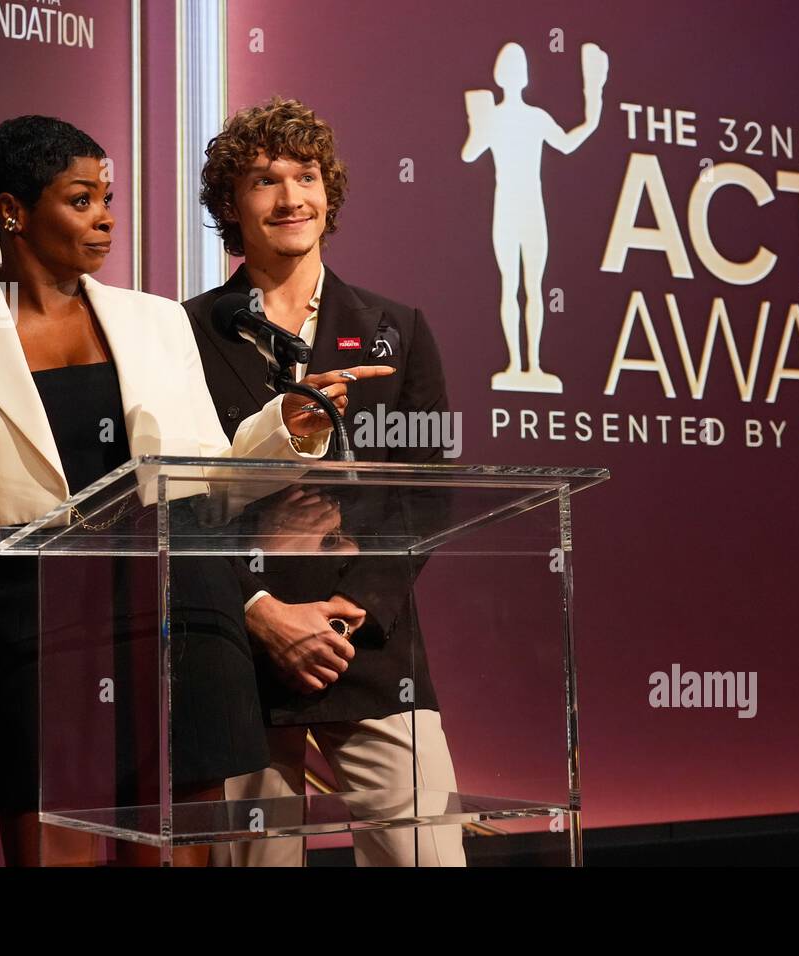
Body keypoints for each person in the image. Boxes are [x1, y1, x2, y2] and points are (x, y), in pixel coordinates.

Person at [0, 114, 389, 866]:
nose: (106, 216)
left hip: (179, 608)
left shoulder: (155, 322)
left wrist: (293, 418)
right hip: (41, 620)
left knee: (177, 852)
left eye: (107, 196)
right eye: (81, 199)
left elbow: (213, 474)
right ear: (13, 212)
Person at [184, 97, 465, 866]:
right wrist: (262, 611)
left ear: (329, 192)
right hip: (244, 652)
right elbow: (177, 502)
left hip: (370, 652)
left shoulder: (395, 329)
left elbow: (426, 494)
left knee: (428, 856)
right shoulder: (183, 334)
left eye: (305, 175)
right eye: (264, 181)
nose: (290, 198)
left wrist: (347, 618)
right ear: (229, 206)